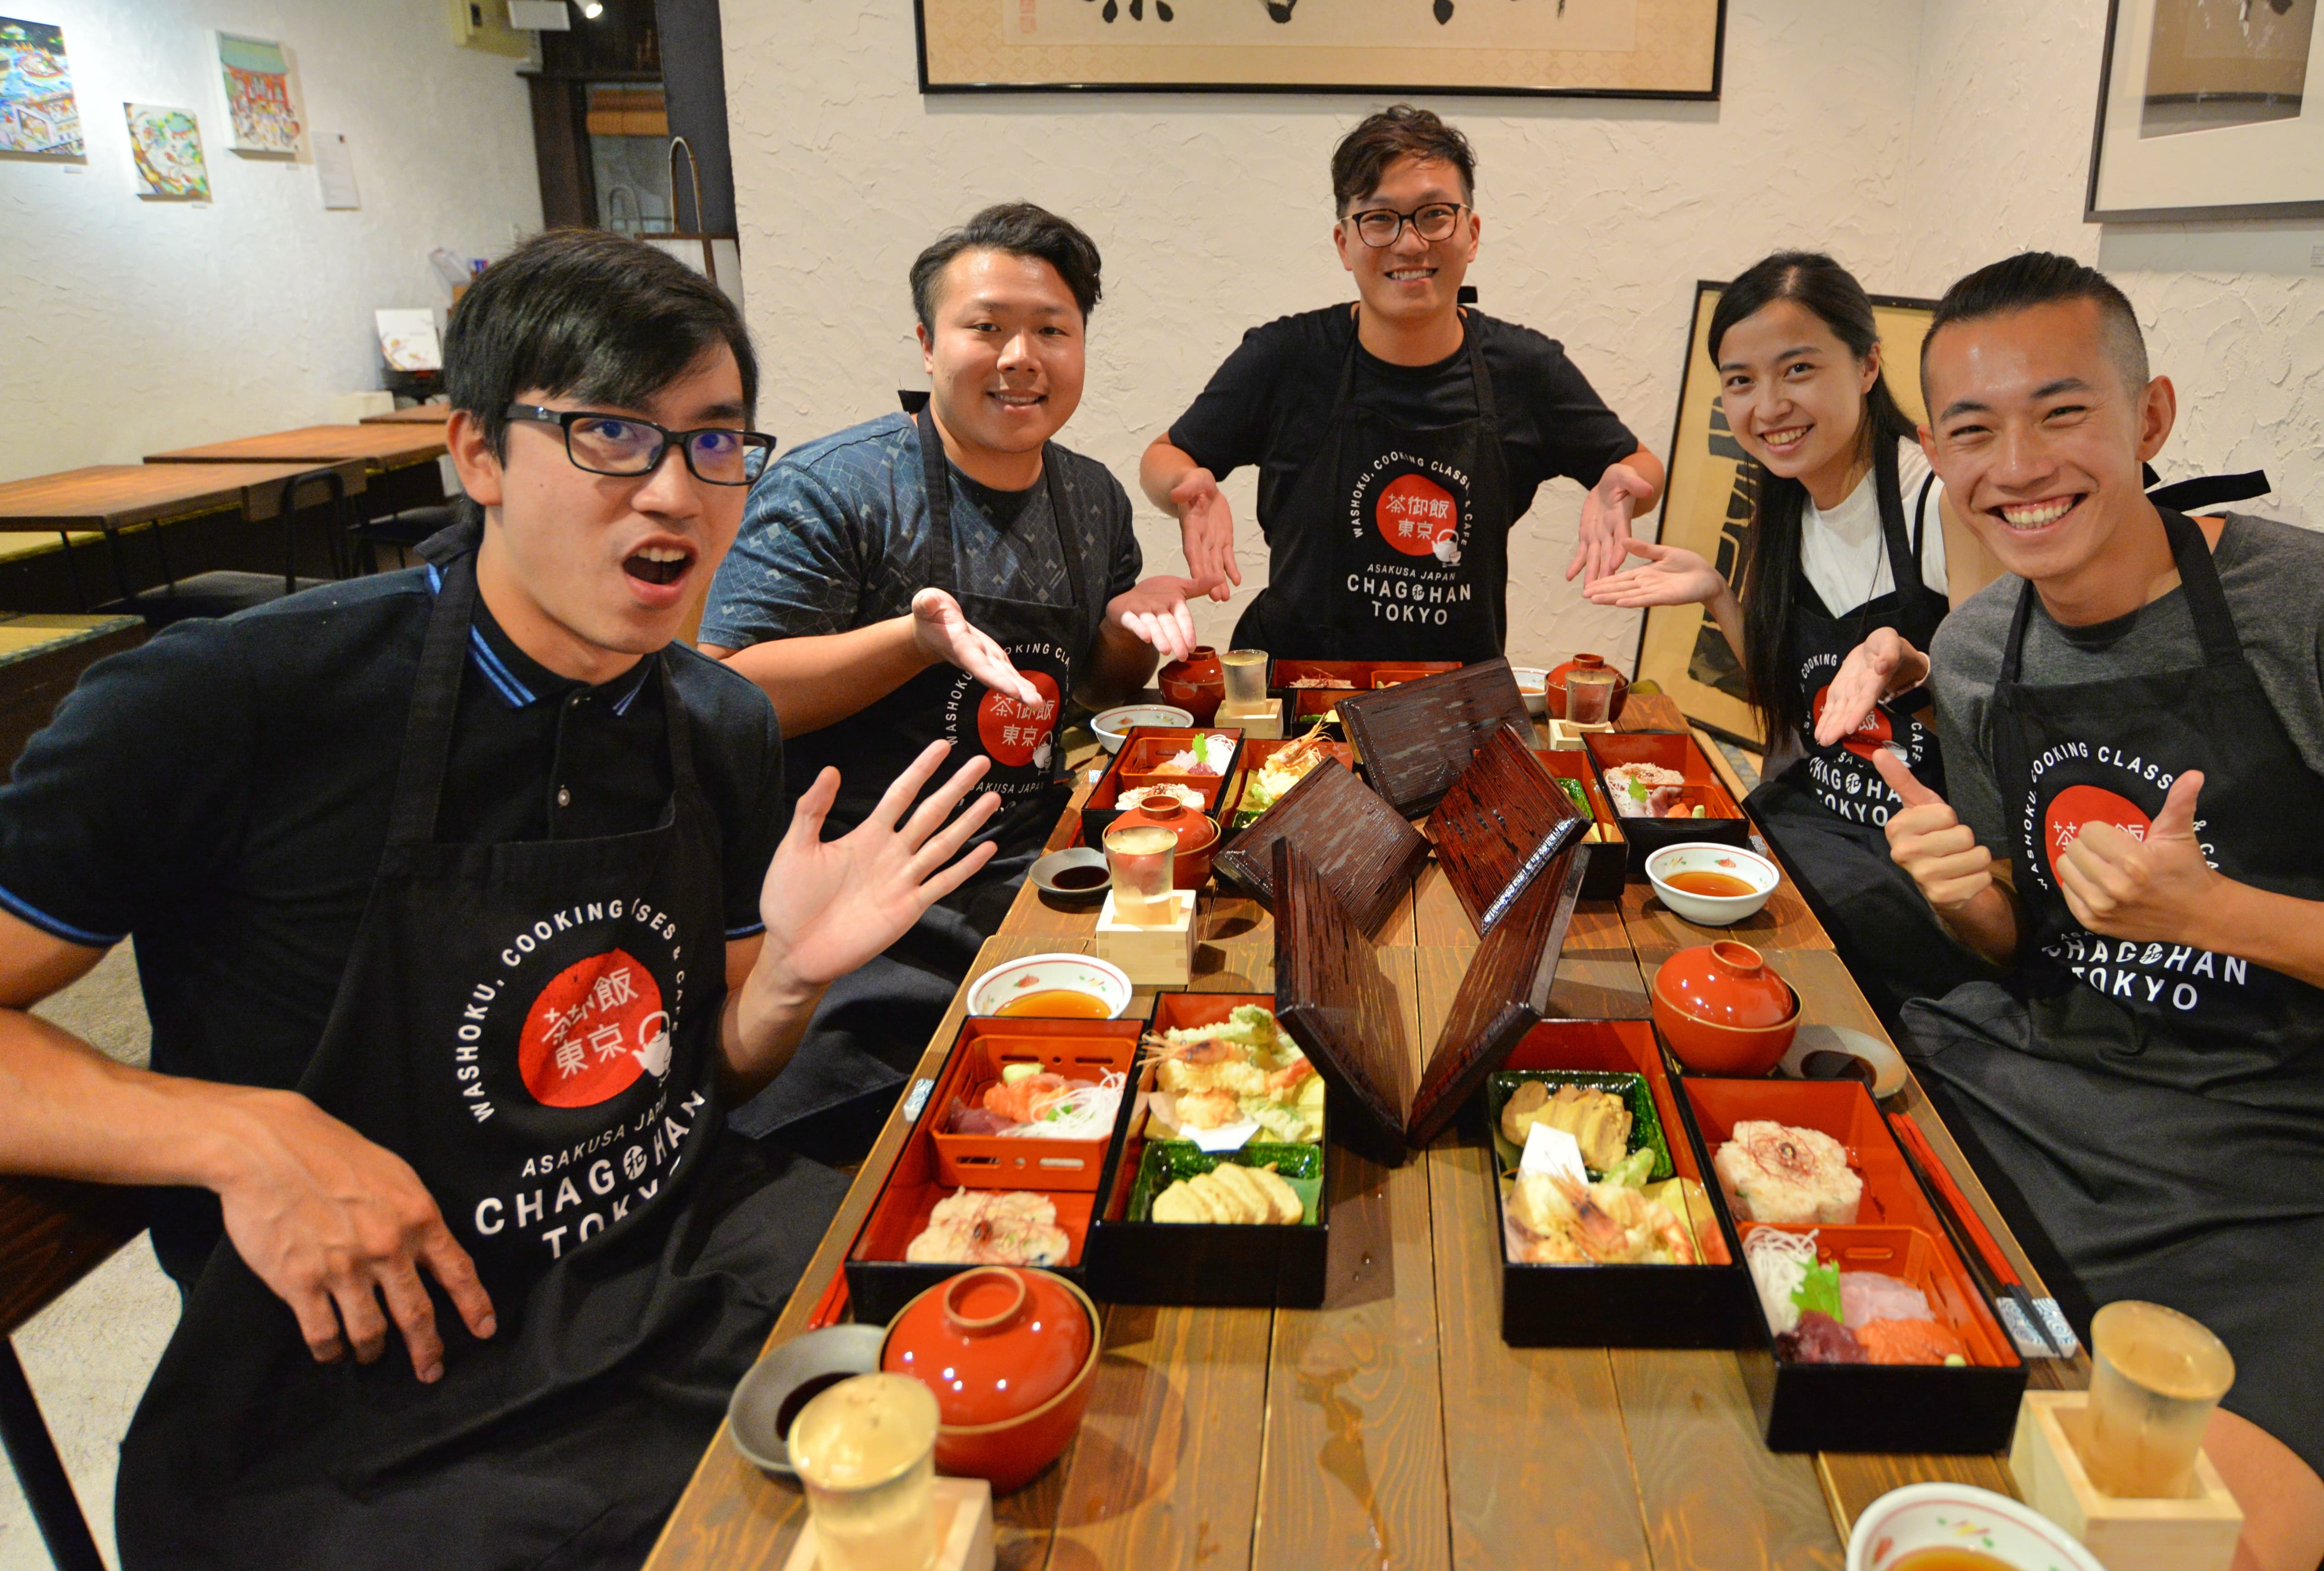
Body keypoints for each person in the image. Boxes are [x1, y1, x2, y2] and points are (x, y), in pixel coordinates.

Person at [0, 230, 1006, 1569]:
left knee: (1011, 1402)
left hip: (684, 1282)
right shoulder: (235, 701)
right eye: (607, 435)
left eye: (714, 442)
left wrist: (782, 984)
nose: (672, 493)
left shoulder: (713, 720)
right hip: (378, 1405)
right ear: (474, 452)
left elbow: (696, 1073)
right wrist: (237, 1136)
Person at [1873, 252, 2324, 1571]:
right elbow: (2033, 936)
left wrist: (2215, 911)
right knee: (1800, 1291)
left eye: (2063, 415)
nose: (2018, 467)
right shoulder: (1981, 648)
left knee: (2186, 1545)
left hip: (2302, 1162)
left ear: (2151, 418)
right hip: (2050, 1089)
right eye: (1971, 431)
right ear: (1935, 451)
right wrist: (1971, 903)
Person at [700, 202, 1206, 1155]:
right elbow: (727, 691)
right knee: (858, 1159)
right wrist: (913, 640)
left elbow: (1088, 693)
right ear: (929, 344)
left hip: (1037, 877)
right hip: (864, 906)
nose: (1022, 356)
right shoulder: (836, 486)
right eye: (987, 328)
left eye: (1052, 330)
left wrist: (1132, 632)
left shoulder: (1091, 496)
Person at [1586, 251, 1995, 1014]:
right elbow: (1798, 708)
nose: (1767, 405)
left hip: (1912, 865)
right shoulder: (1788, 505)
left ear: (1868, 365)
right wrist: (1717, 595)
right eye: (1740, 381)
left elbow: (1999, 721)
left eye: (1797, 369)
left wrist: (1909, 667)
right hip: (1816, 826)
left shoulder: (1936, 503)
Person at [1141, 104, 1663, 659]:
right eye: (1380, 219)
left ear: (1472, 233)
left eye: (1434, 214)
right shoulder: (1287, 357)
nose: (1410, 243)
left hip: (1454, 702)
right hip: (1296, 698)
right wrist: (1187, 488)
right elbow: (1164, 456)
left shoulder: (1525, 368)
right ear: (1344, 243)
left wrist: (1623, 482)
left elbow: (1639, 466)